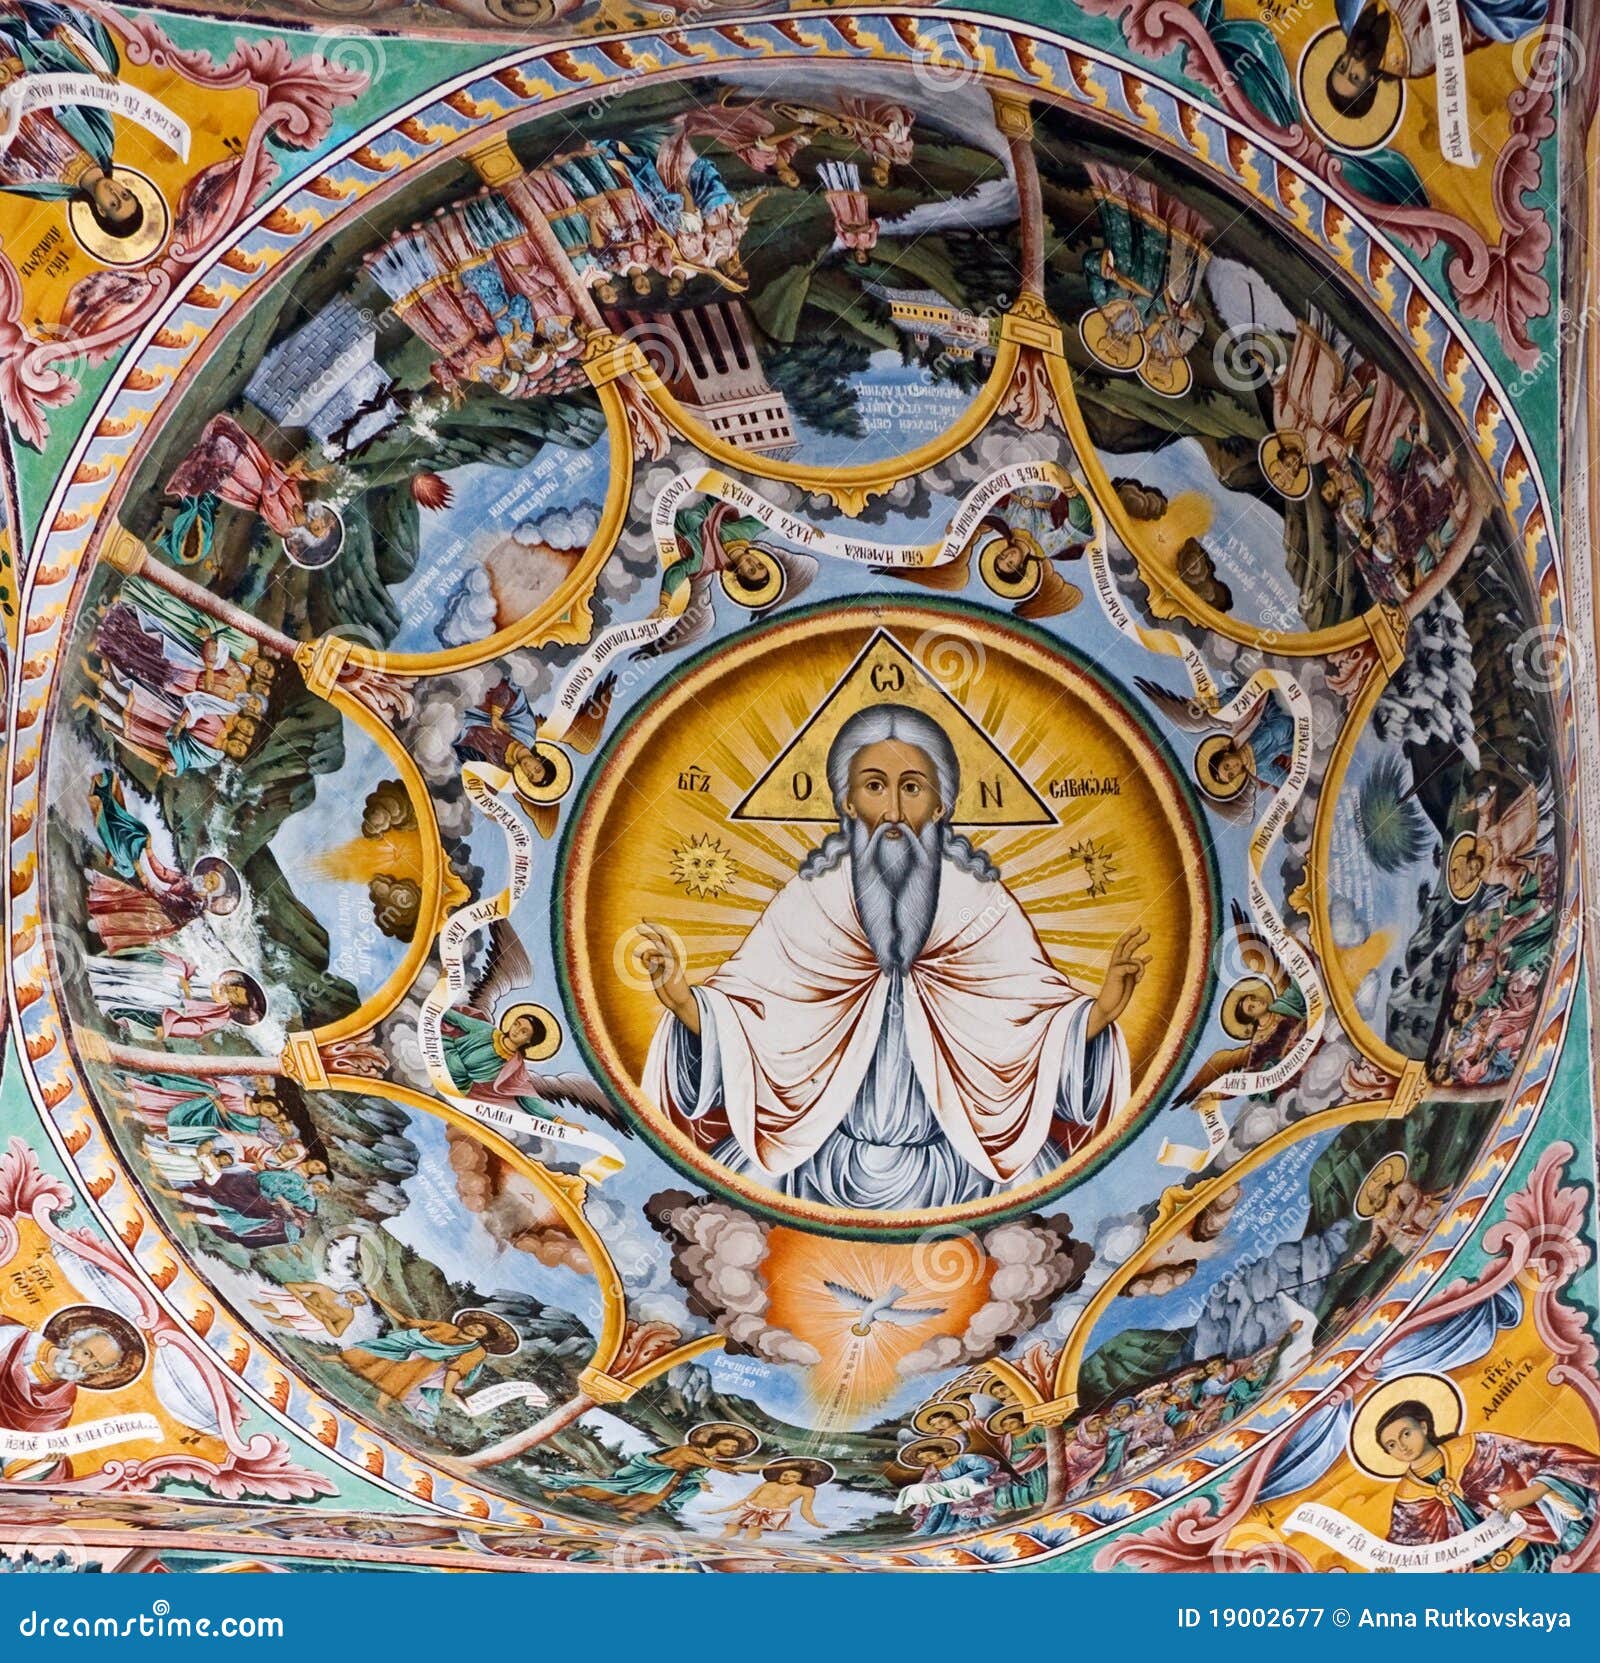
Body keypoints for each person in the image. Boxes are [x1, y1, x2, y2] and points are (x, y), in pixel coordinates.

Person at [641, 704, 1146, 1209]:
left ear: (941, 804)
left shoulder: (980, 905)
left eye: (912, 787)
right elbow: (747, 1019)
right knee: (727, 1211)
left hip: (962, 1169)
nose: (894, 814)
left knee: (1041, 1207)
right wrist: (685, 1002)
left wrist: (1100, 1011)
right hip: (820, 1162)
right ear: (848, 802)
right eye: (874, 786)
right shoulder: (813, 898)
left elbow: (1034, 1025)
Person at [1372, 1394, 1600, 1571]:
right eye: (1391, 1445)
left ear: (1423, 1427)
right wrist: (1393, 1569)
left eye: (1405, 1434)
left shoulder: (1478, 1446)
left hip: (1539, 1551)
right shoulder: (1407, 1498)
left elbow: (1547, 1459)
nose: (1401, 1446)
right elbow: (1406, 1551)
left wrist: (1533, 1492)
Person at [537, 1422, 765, 1519]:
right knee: (613, 1490)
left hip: (669, 1480)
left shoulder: (709, 1456)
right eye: (728, 1444)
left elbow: (732, 1466)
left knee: (650, 1499)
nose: (730, 1449)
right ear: (716, 1441)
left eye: (734, 1448)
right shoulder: (690, 1450)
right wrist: (725, 1469)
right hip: (653, 1473)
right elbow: (715, 1466)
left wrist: (768, 1467)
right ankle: (557, 1494)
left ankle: (629, 1514)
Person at [709, 1458, 832, 1540]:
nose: (787, 1477)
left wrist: (814, 1522)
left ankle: (745, 1548)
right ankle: (717, 1544)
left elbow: (806, 1509)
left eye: (793, 1476)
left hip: (774, 1513)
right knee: (731, 1529)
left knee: (753, 1532)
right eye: (785, 1474)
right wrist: (719, 1510)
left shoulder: (806, 1489)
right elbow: (747, 1499)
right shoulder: (768, 1484)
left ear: (800, 1479)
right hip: (750, 1508)